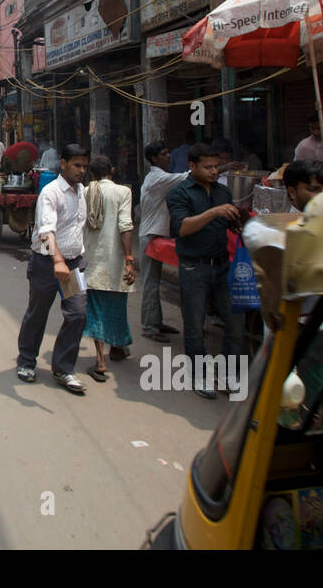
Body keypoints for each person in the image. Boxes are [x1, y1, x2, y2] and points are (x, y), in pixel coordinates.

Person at [166, 143, 245, 399]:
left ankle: (228, 375)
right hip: (194, 266)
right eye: (208, 167)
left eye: (216, 166)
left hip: (222, 265)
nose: (213, 171)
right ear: (192, 166)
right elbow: (182, 228)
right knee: (195, 324)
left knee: (234, 323)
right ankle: (199, 376)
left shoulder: (223, 192)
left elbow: (227, 224)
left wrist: (236, 225)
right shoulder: (179, 193)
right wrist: (213, 213)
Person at [15, 143, 91, 395]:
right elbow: (47, 231)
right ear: (63, 164)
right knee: (38, 313)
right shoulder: (51, 192)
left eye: (84, 166)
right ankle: (26, 361)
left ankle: (63, 368)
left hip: (73, 263)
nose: (81, 170)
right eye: (77, 165)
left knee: (78, 313)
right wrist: (57, 260)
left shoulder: (82, 191)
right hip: (47, 264)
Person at [82, 156, 137, 382]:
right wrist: (129, 259)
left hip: (91, 257)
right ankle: (113, 349)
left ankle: (102, 358)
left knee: (95, 308)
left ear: (91, 174)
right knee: (116, 304)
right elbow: (126, 226)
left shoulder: (85, 192)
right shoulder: (123, 192)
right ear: (111, 171)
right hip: (115, 260)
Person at [137, 141, 189, 344]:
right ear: (154, 159)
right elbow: (186, 177)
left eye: (168, 152)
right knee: (150, 282)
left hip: (155, 234)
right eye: (164, 153)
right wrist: (222, 168)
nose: (169, 156)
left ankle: (155, 321)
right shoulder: (158, 178)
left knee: (154, 281)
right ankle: (149, 326)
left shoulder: (157, 177)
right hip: (150, 235)